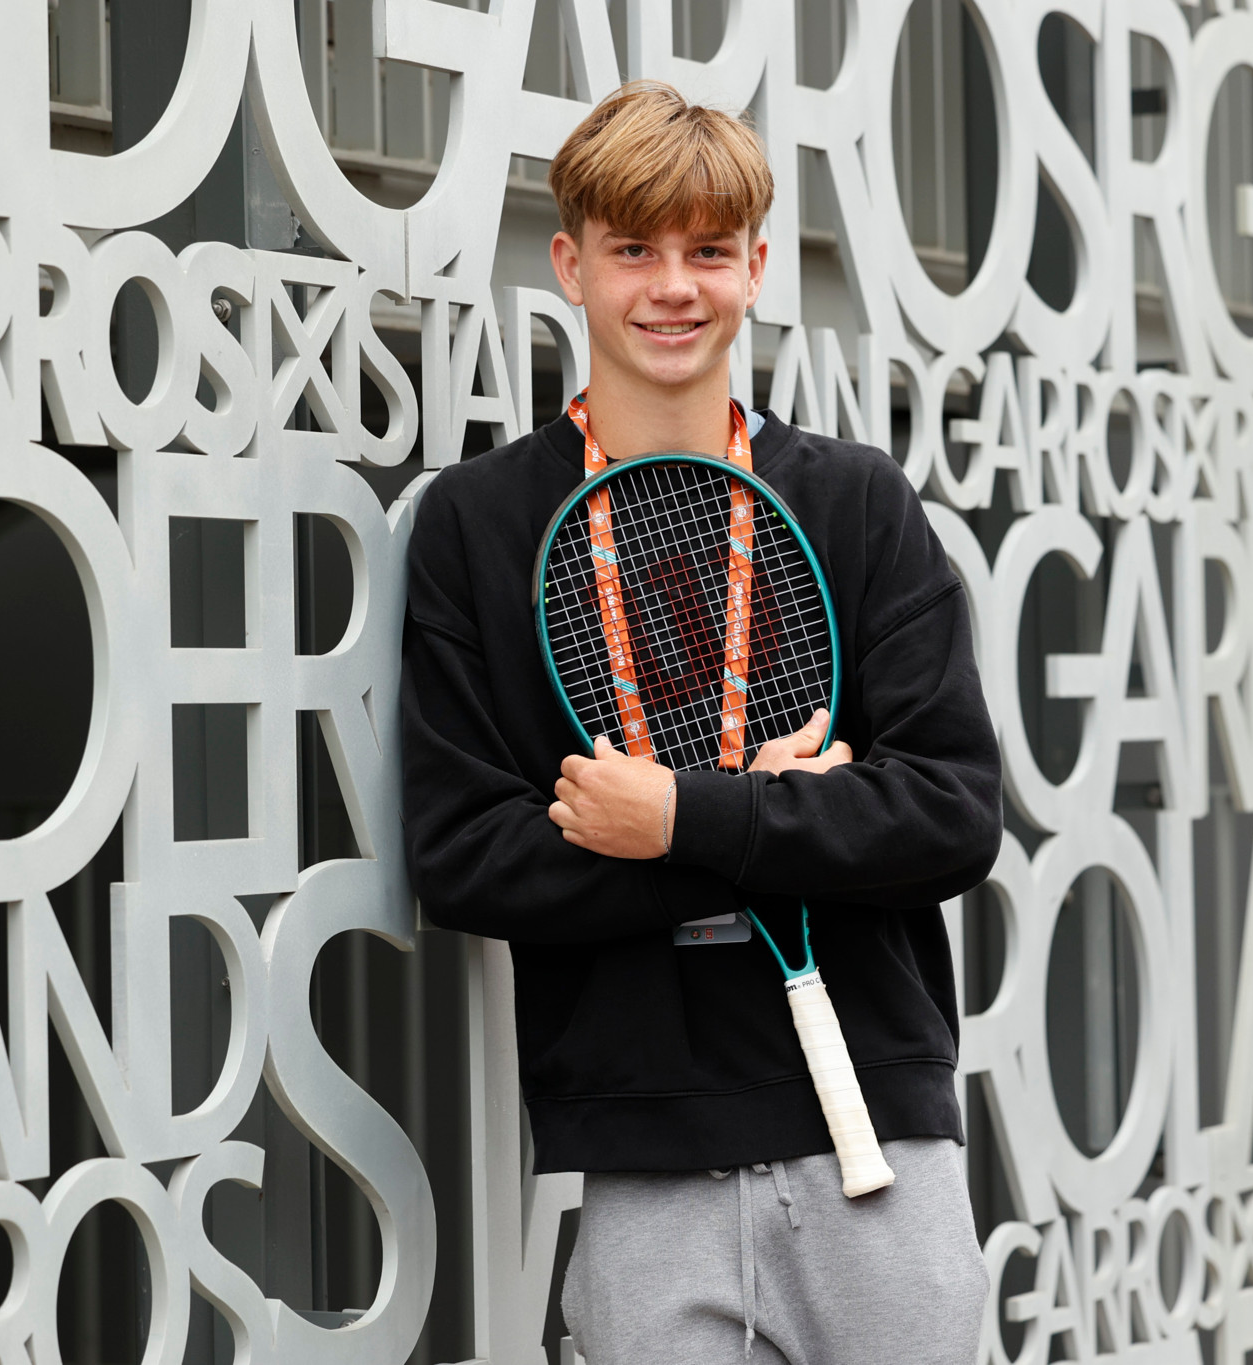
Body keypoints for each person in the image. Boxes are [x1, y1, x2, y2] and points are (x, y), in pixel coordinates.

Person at [401, 80, 1002, 1364]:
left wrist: (672, 815)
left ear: (755, 269)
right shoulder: (480, 522)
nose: (671, 286)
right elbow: (463, 853)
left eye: (706, 251)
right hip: (640, 1156)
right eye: (632, 249)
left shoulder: (855, 502)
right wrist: (797, 817)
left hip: (877, 1144)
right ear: (570, 264)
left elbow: (948, 817)